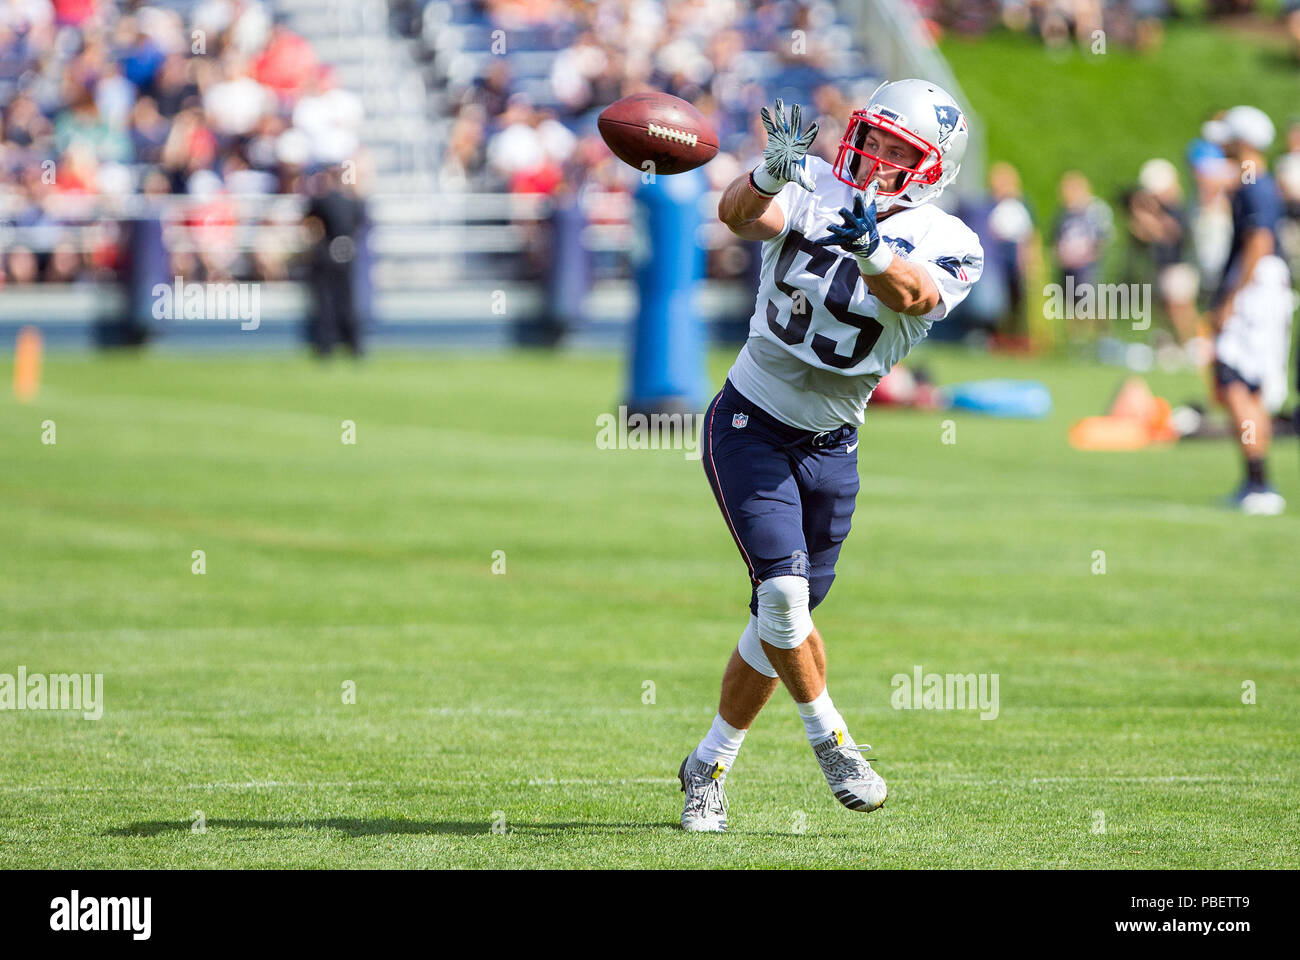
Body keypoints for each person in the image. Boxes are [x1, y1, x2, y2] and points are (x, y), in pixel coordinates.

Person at [679, 81, 983, 832]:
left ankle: (708, 764)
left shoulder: (952, 239)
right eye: (870, 137)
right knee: (783, 599)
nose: (874, 156)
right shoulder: (815, 183)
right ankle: (835, 742)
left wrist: (871, 245)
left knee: (778, 616)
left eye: (896, 149)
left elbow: (911, 296)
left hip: (833, 445)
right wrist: (769, 171)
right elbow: (737, 218)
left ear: (931, 168)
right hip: (750, 419)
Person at [1206, 106, 1293, 515]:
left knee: (1236, 381)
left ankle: (1259, 482)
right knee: (1244, 386)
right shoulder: (1253, 184)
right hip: (1259, 289)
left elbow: (1258, 244)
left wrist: (1229, 299)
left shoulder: (1254, 184)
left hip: (1254, 292)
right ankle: (1256, 480)